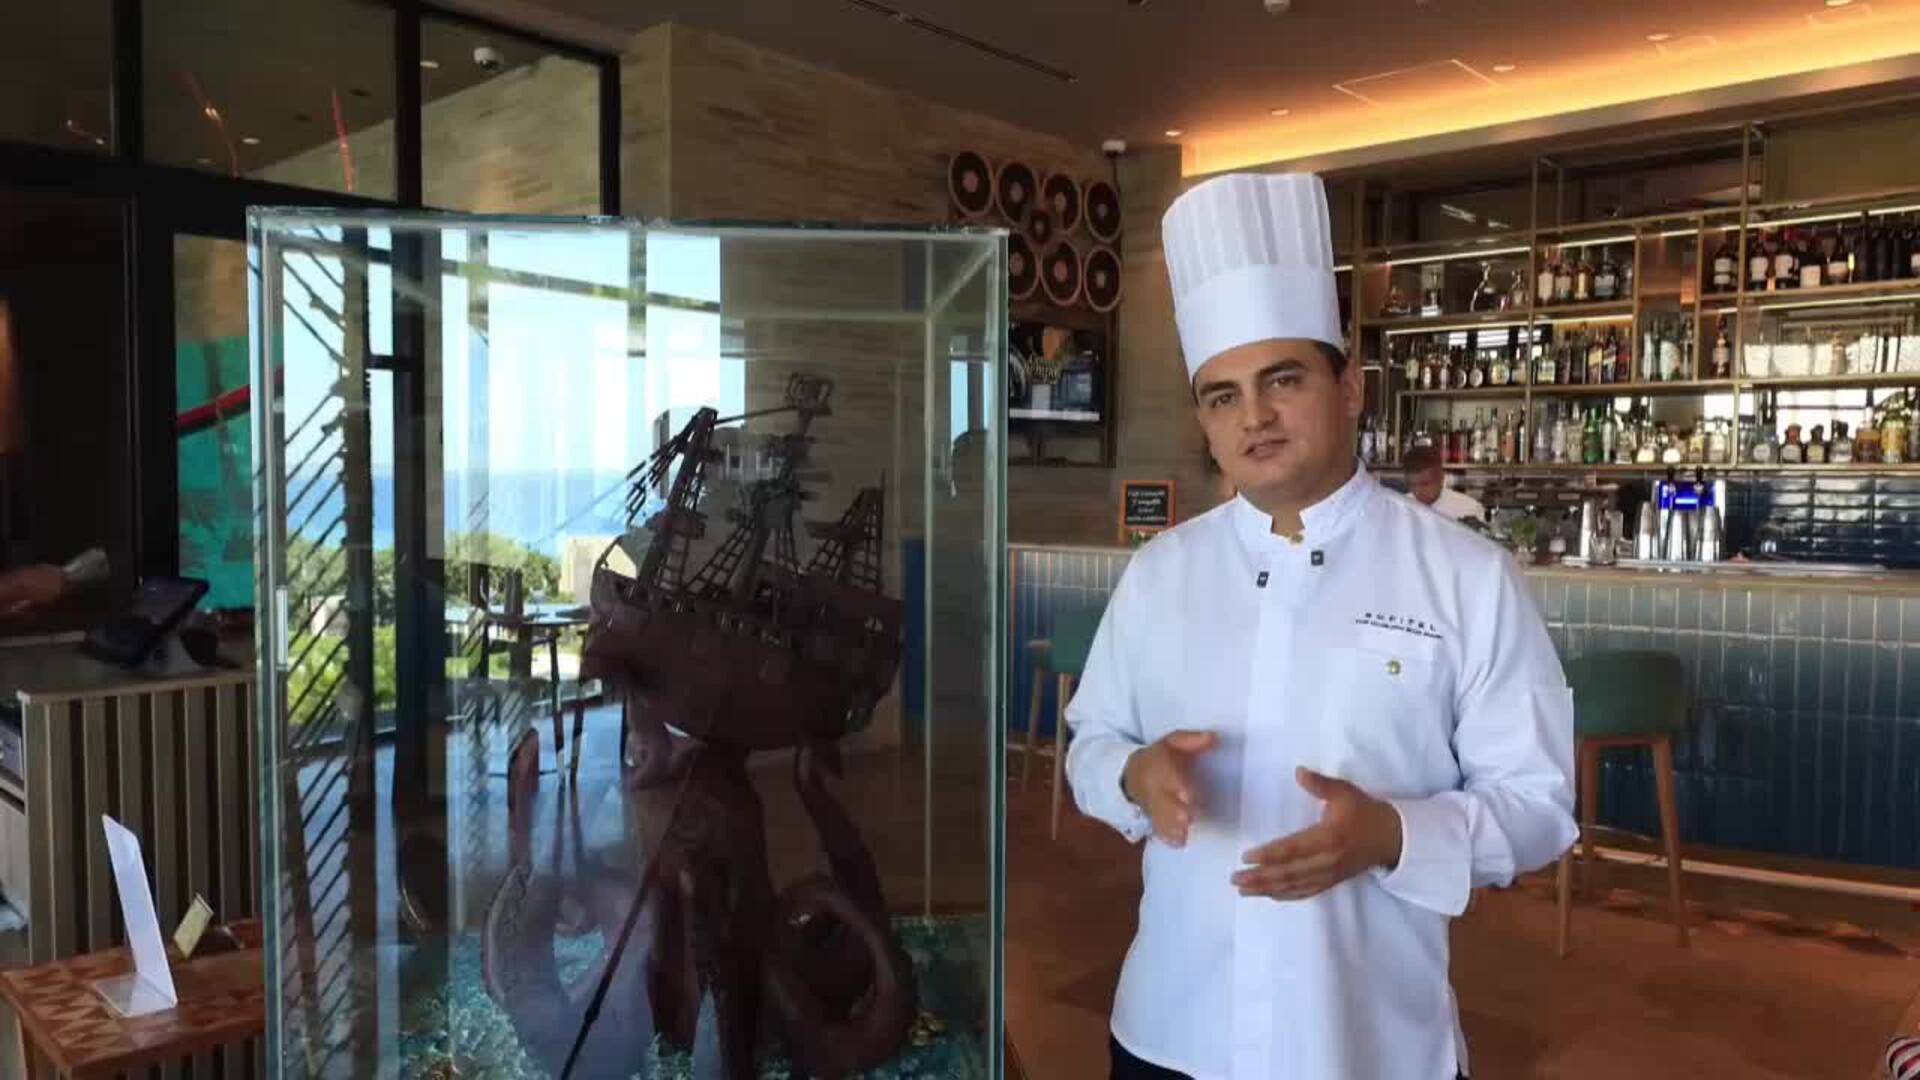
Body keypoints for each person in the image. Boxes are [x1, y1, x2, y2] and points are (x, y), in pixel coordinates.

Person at [1064, 172, 1576, 1080]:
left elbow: (1537, 807)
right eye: (1223, 395)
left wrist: (1391, 835)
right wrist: (1134, 775)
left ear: (1350, 389)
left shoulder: (1468, 579)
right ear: (1205, 422)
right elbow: (1091, 743)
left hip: (1369, 1044)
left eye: (1282, 380)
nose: (1254, 415)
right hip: (1173, 1031)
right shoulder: (1159, 576)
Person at [1402, 444, 1487, 524]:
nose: (1417, 491)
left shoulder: (1469, 509)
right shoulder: (1400, 508)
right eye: (1412, 485)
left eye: (1424, 484)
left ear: (1441, 478)